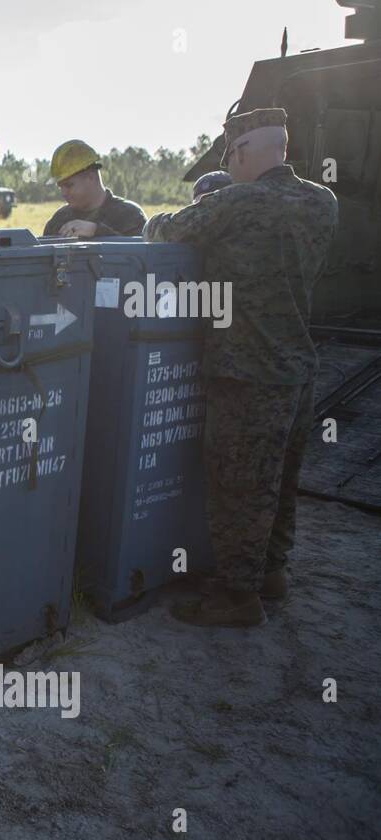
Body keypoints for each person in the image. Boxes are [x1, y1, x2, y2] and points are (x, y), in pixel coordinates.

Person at [143, 108, 338, 627]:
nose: (228, 165)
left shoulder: (236, 200)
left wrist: (182, 213)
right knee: (282, 481)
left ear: (243, 151)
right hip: (299, 367)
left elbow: (163, 231)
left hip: (246, 372)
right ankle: (272, 573)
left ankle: (236, 597)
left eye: (229, 155)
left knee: (238, 487)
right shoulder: (323, 202)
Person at [42, 140, 145, 239]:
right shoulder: (58, 221)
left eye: (69, 185)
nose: (63, 193)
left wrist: (97, 231)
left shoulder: (130, 216)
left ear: (91, 177)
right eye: (60, 187)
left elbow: (141, 254)